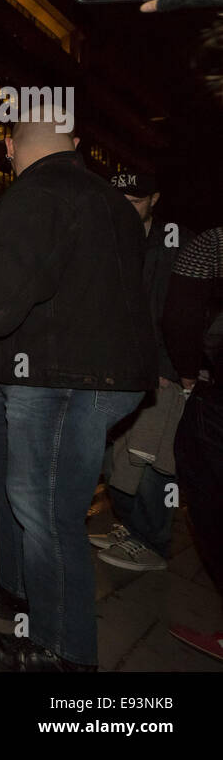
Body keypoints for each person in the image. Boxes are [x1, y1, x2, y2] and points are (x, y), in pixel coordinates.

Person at [0, 114, 156, 671]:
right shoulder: (110, 202)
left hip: (59, 381)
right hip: (77, 373)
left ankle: (65, 651)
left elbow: (10, 278)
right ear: (76, 143)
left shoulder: (38, 192)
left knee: (48, 510)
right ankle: (16, 589)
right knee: (0, 464)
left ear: (8, 146)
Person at [90, 172, 192, 571]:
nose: (125, 207)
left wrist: (169, 364)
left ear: (155, 199)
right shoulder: (108, 235)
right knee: (122, 454)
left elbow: (182, 308)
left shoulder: (175, 241)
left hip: (160, 369)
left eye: (134, 200)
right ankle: (131, 527)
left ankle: (154, 540)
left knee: (154, 455)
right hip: (116, 364)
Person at [162, 226, 223, 661]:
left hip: (217, 393)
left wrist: (187, 370)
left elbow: (180, 315)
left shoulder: (212, 243)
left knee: (211, 503)